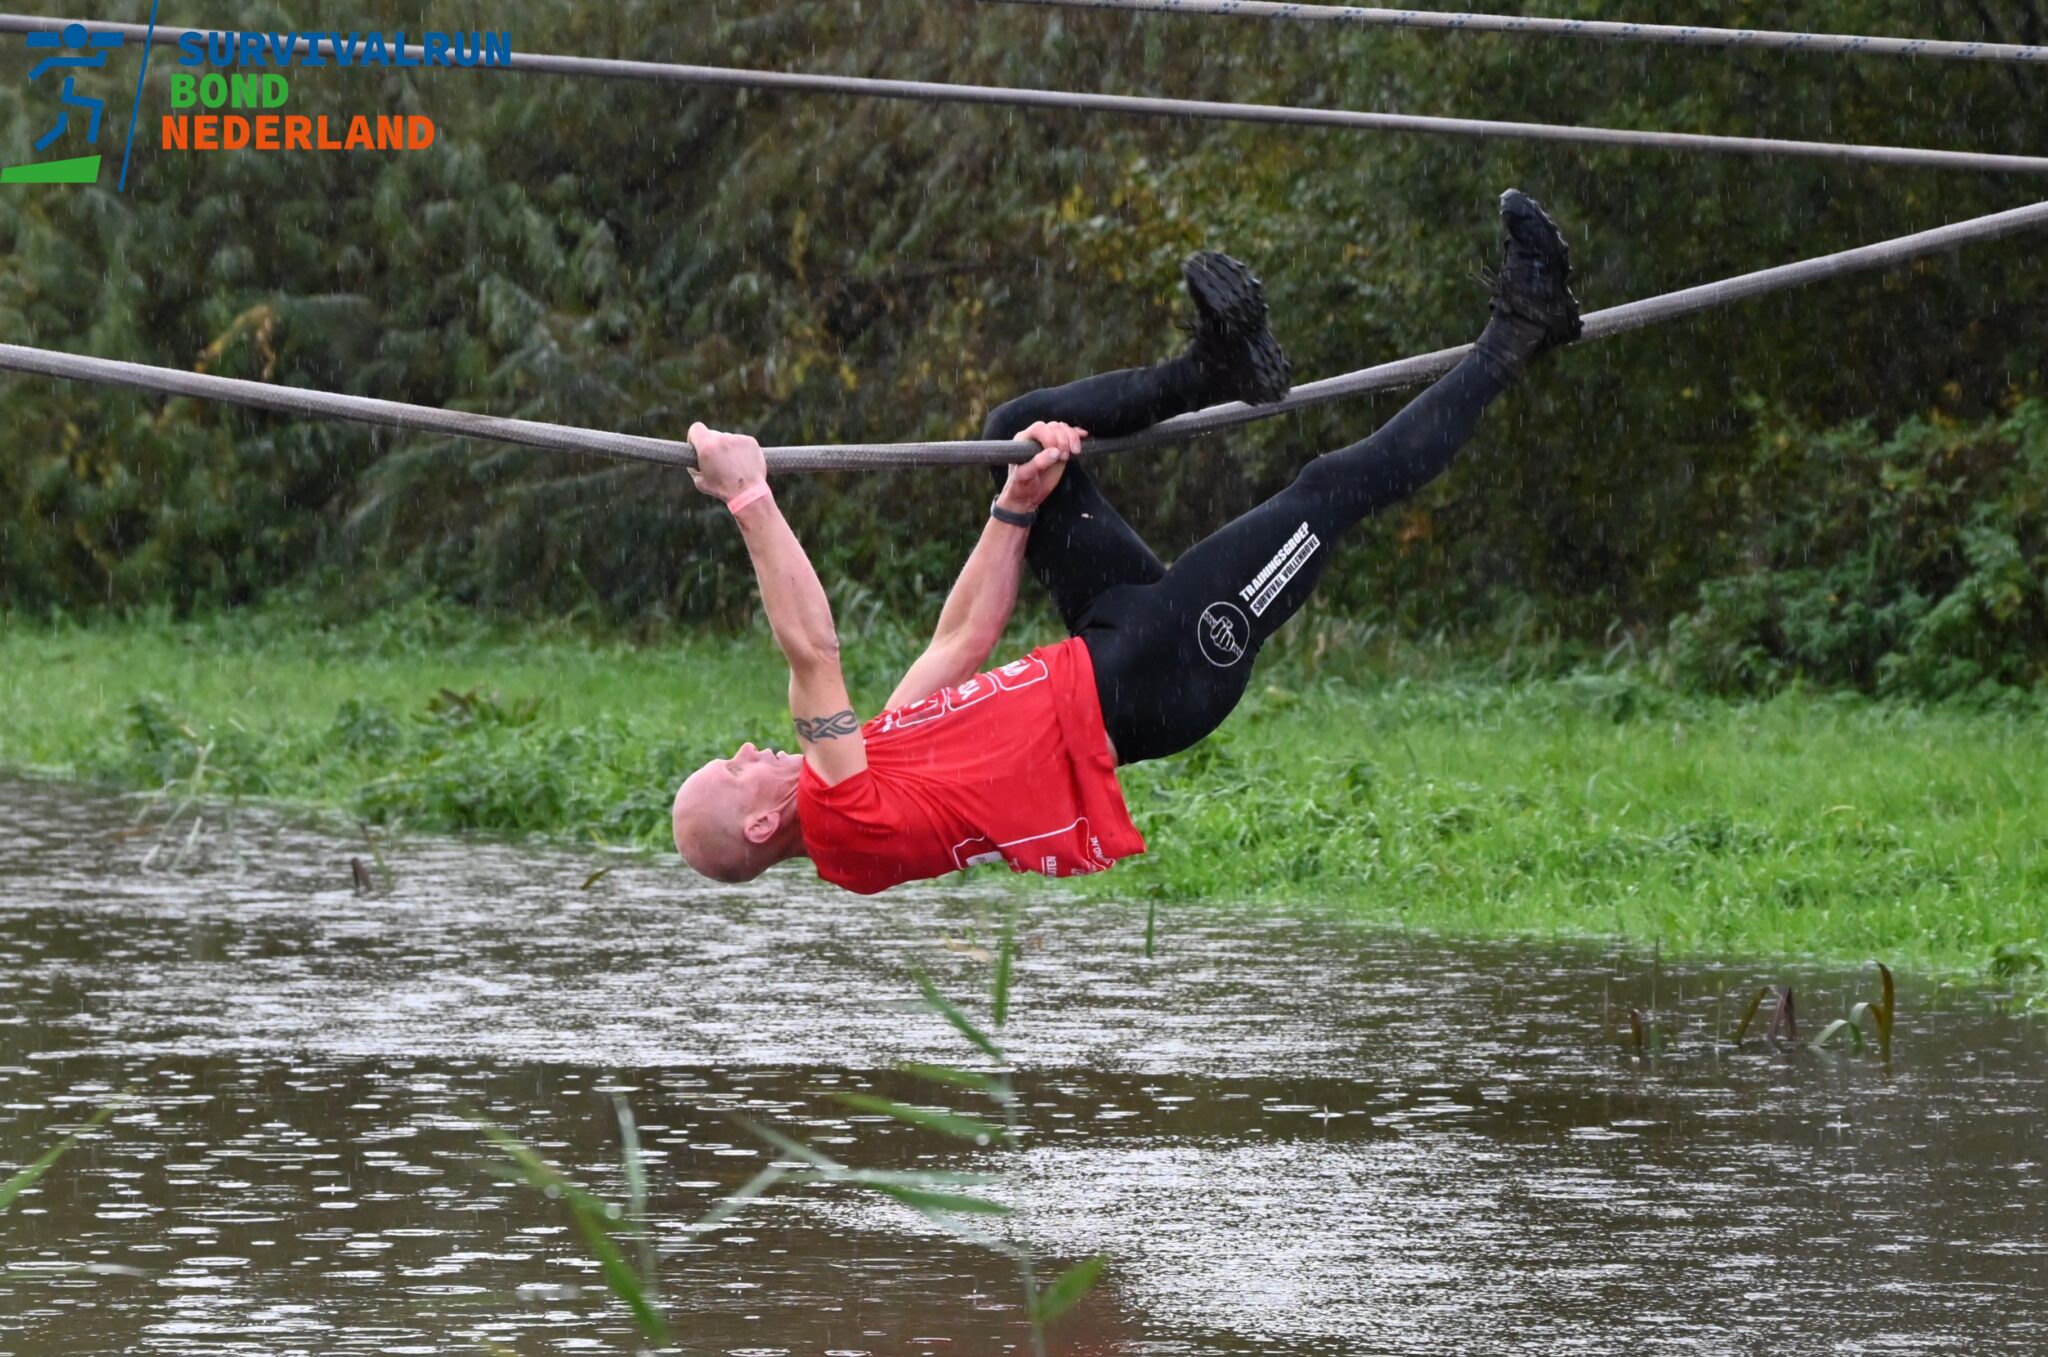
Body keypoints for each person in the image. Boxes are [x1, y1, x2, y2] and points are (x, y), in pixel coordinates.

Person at [673, 189, 1582, 893]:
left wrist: (1016, 507)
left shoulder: (866, 769)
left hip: (1112, 639)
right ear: (759, 826)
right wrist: (750, 496)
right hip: (1165, 671)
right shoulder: (844, 819)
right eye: (733, 769)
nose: (747, 749)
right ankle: (1519, 328)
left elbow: (960, 641)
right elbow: (813, 649)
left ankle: (1214, 366)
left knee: (1015, 435)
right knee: (1332, 487)